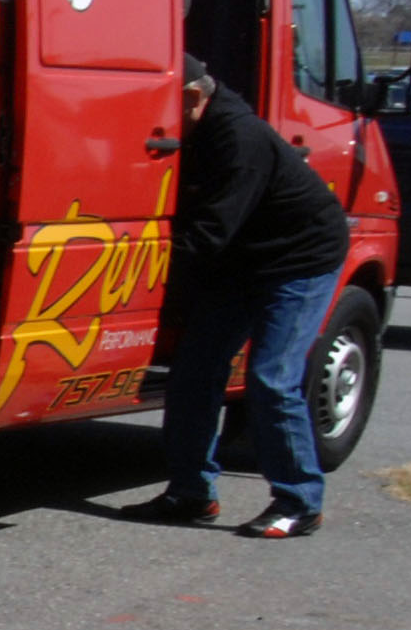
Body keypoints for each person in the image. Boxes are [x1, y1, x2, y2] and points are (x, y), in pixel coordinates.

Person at [131, 55, 354, 538]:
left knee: (272, 377)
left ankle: (299, 501)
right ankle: (190, 491)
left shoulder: (239, 139)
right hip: (240, 260)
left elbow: (211, 231)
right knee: (194, 372)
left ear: (193, 98)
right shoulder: (199, 132)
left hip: (299, 260)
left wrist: (140, 276)